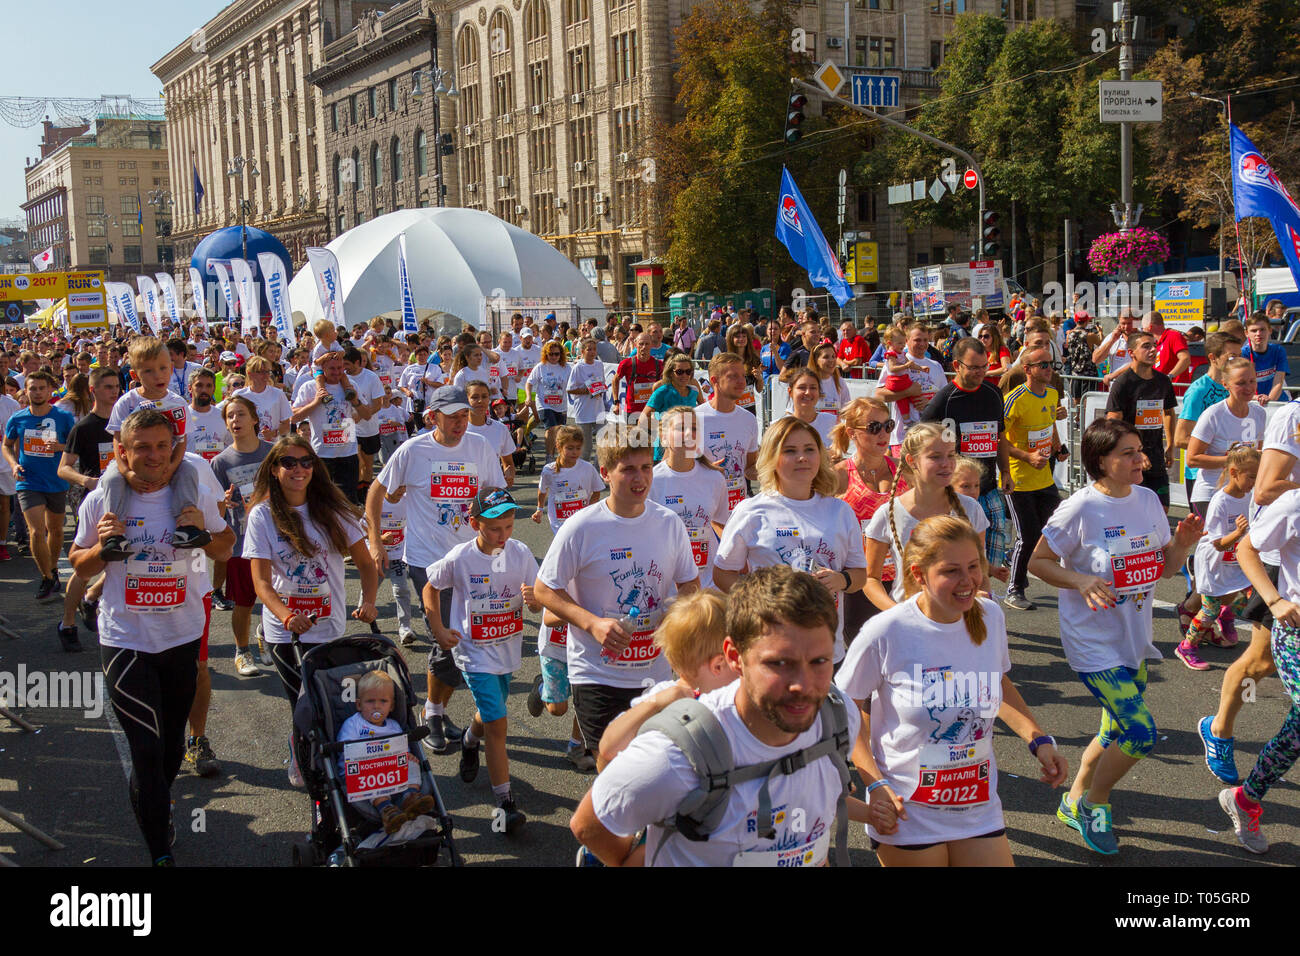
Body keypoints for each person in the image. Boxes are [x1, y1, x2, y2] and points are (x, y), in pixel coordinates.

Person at [570, 565, 864, 866]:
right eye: (779, 663)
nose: (802, 685)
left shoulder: (838, 717)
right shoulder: (676, 753)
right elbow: (589, 824)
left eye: (820, 660)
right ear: (734, 657)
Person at [837, 515, 1067, 865]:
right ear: (919, 575)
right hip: (906, 809)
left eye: (973, 567)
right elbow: (846, 708)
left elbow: (997, 684)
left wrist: (1038, 739)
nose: (968, 581)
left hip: (977, 805)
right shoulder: (886, 631)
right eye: (951, 571)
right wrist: (874, 783)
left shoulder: (990, 615)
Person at [1028, 418, 1202, 854]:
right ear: (1101, 461)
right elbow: (1039, 561)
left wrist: (1183, 544)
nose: (1141, 459)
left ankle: (1072, 801)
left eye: (1139, 450)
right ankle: (1094, 802)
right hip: (1092, 641)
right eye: (1128, 452)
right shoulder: (1080, 508)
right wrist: (1081, 580)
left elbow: (1163, 568)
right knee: (1140, 733)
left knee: (1111, 732)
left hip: (1134, 639)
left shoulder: (1147, 500)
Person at [68, 408, 233, 866]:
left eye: (162, 446)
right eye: (142, 447)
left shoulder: (194, 490)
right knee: (145, 749)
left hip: (180, 634)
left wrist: (200, 533)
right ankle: (160, 851)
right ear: (122, 450)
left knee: (170, 749)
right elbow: (80, 565)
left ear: (175, 447)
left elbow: (226, 547)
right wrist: (103, 548)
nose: (153, 456)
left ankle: (156, 805)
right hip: (126, 638)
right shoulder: (105, 497)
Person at [534, 425, 700, 762]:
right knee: (610, 762)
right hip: (596, 671)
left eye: (646, 468)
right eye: (628, 469)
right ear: (606, 473)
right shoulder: (581, 527)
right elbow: (544, 589)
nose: (640, 478)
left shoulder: (669, 523)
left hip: (653, 670)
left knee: (652, 764)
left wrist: (677, 614)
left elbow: (690, 584)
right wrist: (593, 624)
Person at [367, 385, 507, 753]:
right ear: (433, 416)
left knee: (465, 641)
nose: (462, 422)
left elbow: (496, 496)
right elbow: (376, 492)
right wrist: (376, 541)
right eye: (453, 416)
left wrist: (498, 540)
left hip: (474, 558)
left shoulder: (480, 447)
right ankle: (431, 715)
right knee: (447, 639)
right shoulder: (413, 450)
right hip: (428, 561)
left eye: (465, 415)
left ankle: (436, 709)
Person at [1197, 392, 1300, 786]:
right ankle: (1219, 728)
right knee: (1260, 664)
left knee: (1266, 667)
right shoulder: (1294, 415)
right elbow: (1265, 489)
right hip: (1280, 553)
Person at [424, 488, 540, 834]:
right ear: (474, 523)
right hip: (473, 653)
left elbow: (538, 599)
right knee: (499, 722)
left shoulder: (520, 554)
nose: (502, 535)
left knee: (492, 714)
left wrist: (533, 600)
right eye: (493, 528)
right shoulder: (460, 557)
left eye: (508, 526)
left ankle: (470, 740)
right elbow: (431, 587)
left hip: (506, 649)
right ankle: (505, 804)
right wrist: (438, 628)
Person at [246, 433, 379, 721]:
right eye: (289, 462)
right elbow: (261, 582)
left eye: (306, 462)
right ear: (274, 468)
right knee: (303, 707)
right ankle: (303, 764)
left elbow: (367, 566)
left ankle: (323, 763)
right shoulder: (262, 516)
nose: (299, 469)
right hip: (285, 632)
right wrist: (286, 615)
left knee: (328, 705)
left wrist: (368, 602)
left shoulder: (334, 512)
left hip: (327, 628)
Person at [713, 415, 866, 663]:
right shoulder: (751, 511)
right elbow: (723, 574)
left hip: (825, 650)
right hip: (770, 647)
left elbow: (860, 576)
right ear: (773, 458)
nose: (802, 458)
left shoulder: (840, 511)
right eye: (790, 451)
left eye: (809, 449)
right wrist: (762, 598)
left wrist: (840, 579)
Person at [1219, 478, 1300, 852]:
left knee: (1295, 734)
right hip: (1296, 633)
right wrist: (1274, 599)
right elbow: (1246, 548)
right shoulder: (1295, 504)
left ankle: (1246, 798)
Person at [596, 589, 735, 769]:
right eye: (739, 654)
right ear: (719, 664)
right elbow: (608, 749)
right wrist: (656, 703)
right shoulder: (665, 695)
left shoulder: (664, 694)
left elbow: (607, 751)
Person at [99, 336, 207, 562]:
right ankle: (115, 536)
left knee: (189, 471)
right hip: (131, 463)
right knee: (110, 479)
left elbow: (182, 442)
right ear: (134, 375)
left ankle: (186, 527)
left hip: (169, 461)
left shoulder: (178, 403)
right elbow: (117, 444)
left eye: (163, 368)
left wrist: (170, 469)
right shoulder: (125, 403)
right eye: (149, 371)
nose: (158, 375)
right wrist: (127, 472)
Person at [863, 422, 990, 612]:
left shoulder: (971, 509)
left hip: (960, 619)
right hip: (908, 621)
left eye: (950, 455)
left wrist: (983, 604)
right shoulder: (888, 514)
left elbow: (981, 569)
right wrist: (896, 613)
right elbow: (870, 578)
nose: (946, 463)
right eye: (935, 457)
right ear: (912, 461)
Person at [55, 366, 120, 649]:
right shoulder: (84, 428)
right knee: (83, 569)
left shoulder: (124, 423)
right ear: (93, 390)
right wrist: (89, 481)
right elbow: (64, 469)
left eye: (117, 385)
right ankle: (67, 623)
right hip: (93, 504)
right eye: (107, 386)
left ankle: (92, 596)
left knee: (125, 558)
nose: (114, 391)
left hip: (122, 502)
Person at [1180, 445, 1260, 670]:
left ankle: (1226, 614)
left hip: (1234, 559)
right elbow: (1216, 542)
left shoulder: (1250, 496)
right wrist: (1237, 533)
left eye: (1257, 476)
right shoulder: (1220, 501)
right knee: (1209, 611)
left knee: (1256, 595)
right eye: (1251, 476)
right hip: (1214, 561)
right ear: (1234, 473)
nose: (1254, 481)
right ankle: (1187, 646)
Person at [209, 396, 274, 675]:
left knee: (278, 595)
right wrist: (223, 502)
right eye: (230, 416)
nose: (235, 420)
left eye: (241, 414)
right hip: (242, 542)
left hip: (276, 538)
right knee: (244, 602)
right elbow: (214, 512)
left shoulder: (274, 452)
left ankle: (269, 636)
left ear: (255, 419)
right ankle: (242, 651)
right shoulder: (220, 462)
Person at [4, 368, 77, 600]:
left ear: (50, 390)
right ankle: (46, 577)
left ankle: (53, 568)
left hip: (56, 480)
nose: (37, 392)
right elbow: (6, 445)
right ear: (25, 391)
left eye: (41, 388)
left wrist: (60, 448)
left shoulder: (63, 418)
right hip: (28, 480)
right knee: (36, 531)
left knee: (55, 530)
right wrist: (14, 465)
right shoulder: (18, 418)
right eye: (32, 388)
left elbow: (75, 448)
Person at [1001, 347, 1066, 611]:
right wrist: (1026, 457)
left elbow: (1048, 426)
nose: (1048, 369)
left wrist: (1059, 447)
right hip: (1018, 480)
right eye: (1042, 365)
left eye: (1050, 364)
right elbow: (999, 439)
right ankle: (1014, 589)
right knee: (1027, 536)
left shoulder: (1051, 394)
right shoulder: (1015, 398)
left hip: (1045, 478)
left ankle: (1012, 558)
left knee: (1055, 529)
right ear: (1027, 369)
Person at [831, 397, 900, 638]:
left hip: (901, 577)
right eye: (873, 428)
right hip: (858, 580)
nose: (883, 434)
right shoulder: (838, 476)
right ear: (852, 433)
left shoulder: (904, 470)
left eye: (887, 425)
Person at [337, 670, 436, 834]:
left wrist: (407, 756)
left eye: (383, 701)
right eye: (370, 701)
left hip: (392, 772)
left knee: (412, 763)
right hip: (363, 773)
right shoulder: (353, 725)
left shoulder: (394, 727)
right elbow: (346, 749)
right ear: (359, 704)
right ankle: (386, 809)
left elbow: (401, 748)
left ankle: (410, 797)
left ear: (391, 706)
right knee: (370, 774)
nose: (376, 706)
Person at [650, 407, 729, 589]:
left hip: (708, 581)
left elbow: (721, 524)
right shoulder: (652, 480)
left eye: (694, 428)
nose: (688, 434)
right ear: (663, 436)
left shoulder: (714, 478)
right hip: (667, 585)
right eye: (680, 428)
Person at [1105, 331, 1176, 510]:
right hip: (1129, 460)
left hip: (1156, 457)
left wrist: (1171, 445)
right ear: (1132, 353)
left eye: (1155, 345)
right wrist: (1135, 451)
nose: (1153, 350)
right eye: (1146, 346)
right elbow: (1113, 425)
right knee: (1134, 512)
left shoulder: (1162, 381)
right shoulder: (1123, 384)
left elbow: (1168, 412)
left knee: (1162, 509)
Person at [291, 350, 369, 503]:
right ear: (322, 369)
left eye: (340, 368)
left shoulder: (350, 385)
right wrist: (315, 403)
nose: (337, 372)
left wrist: (355, 402)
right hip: (322, 455)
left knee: (348, 502)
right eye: (332, 369)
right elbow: (293, 417)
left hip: (348, 454)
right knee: (322, 502)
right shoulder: (310, 387)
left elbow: (367, 415)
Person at [533, 424, 604, 534]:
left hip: (582, 519)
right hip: (559, 521)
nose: (575, 452)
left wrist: (588, 510)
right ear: (559, 446)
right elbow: (542, 490)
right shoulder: (549, 470)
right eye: (570, 448)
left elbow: (597, 491)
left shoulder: (588, 468)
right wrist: (539, 509)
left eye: (578, 448)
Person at [638, 353, 702, 462]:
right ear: (671, 373)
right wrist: (666, 428)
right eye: (679, 372)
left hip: (689, 446)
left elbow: (701, 409)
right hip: (665, 449)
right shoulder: (662, 391)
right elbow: (642, 420)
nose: (684, 376)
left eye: (688, 372)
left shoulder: (694, 391)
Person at [525, 340, 570, 463]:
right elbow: (529, 383)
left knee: (559, 432)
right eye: (551, 354)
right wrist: (529, 397)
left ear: (561, 354)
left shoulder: (566, 368)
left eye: (557, 354)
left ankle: (557, 455)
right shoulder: (541, 367)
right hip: (544, 403)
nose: (554, 357)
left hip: (561, 405)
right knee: (551, 429)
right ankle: (549, 457)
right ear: (546, 354)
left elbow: (573, 384)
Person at [465, 380, 516, 488]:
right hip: (464, 492)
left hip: (492, 492)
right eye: (474, 397)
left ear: (489, 399)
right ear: (466, 400)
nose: (480, 401)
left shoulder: (500, 429)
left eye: (484, 397)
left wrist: (510, 475)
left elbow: (508, 463)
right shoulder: (458, 430)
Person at [566, 336, 607, 461]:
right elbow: (570, 389)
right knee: (586, 447)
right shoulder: (578, 367)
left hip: (598, 410)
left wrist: (600, 389)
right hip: (583, 412)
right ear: (583, 351)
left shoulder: (599, 364)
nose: (592, 352)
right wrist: (587, 390)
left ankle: (597, 470)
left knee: (603, 442)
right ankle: (583, 472)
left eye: (594, 349)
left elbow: (602, 383)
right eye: (589, 349)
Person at [234, 356, 293, 442]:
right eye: (261, 372)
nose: (265, 375)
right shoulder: (239, 395)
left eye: (267, 372)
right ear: (250, 374)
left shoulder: (278, 394)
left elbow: (286, 425)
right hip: (246, 446)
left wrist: (273, 433)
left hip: (271, 446)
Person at [778, 365, 837, 450]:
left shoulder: (833, 422)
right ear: (790, 392)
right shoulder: (779, 426)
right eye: (802, 387)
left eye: (813, 388)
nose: (808, 392)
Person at [1242, 311, 1289, 403]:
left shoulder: (1278, 351)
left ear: (1270, 331)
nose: (1258, 334)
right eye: (1254, 330)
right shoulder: (1242, 354)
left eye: (1262, 329)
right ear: (1246, 333)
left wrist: (1269, 400)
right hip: (1253, 402)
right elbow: (1239, 387)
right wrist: (1257, 398)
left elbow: (1278, 382)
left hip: (1276, 401)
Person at [1145, 310, 1191, 391]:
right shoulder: (1156, 343)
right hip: (1160, 391)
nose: (1143, 330)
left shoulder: (1173, 336)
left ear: (1150, 327)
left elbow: (1185, 359)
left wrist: (1170, 377)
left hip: (1176, 392)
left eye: (1143, 327)